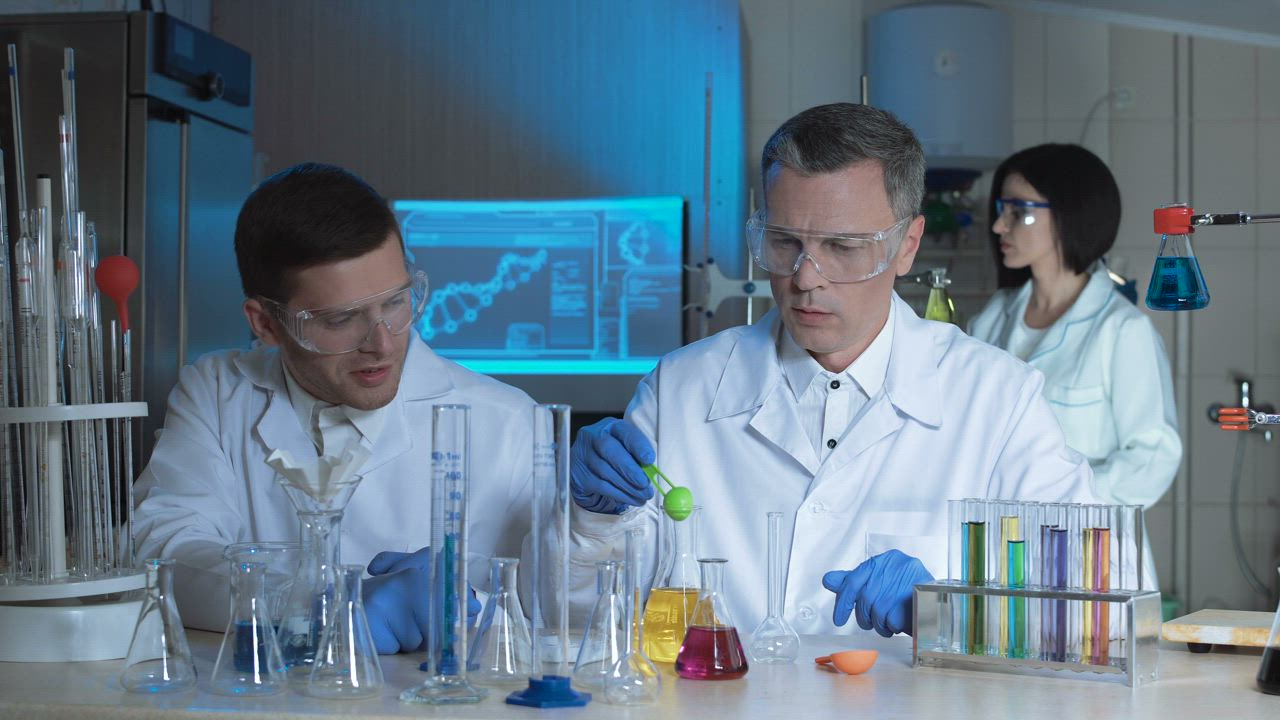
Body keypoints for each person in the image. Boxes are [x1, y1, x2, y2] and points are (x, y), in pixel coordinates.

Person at [566, 103, 1100, 638]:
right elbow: (568, 617)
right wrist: (593, 521)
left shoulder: (998, 401)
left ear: (906, 246)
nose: (806, 279)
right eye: (784, 243)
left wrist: (942, 611)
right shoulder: (681, 390)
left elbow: (1088, 611)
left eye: (842, 248)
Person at [132, 163, 535, 653]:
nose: (382, 344)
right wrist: (319, 604)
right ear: (265, 324)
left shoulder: (511, 421)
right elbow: (165, 553)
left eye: (395, 303)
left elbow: (555, 609)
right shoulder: (218, 393)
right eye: (342, 318)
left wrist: (469, 601)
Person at [968, 143, 1181, 589]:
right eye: (1001, 209)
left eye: (1017, 211)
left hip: (1091, 557)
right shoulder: (993, 317)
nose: (998, 225)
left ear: (1068, 214)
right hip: (1004, 552)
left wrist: (1059, 499)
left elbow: (1154, 457)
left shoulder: (1121, 331)